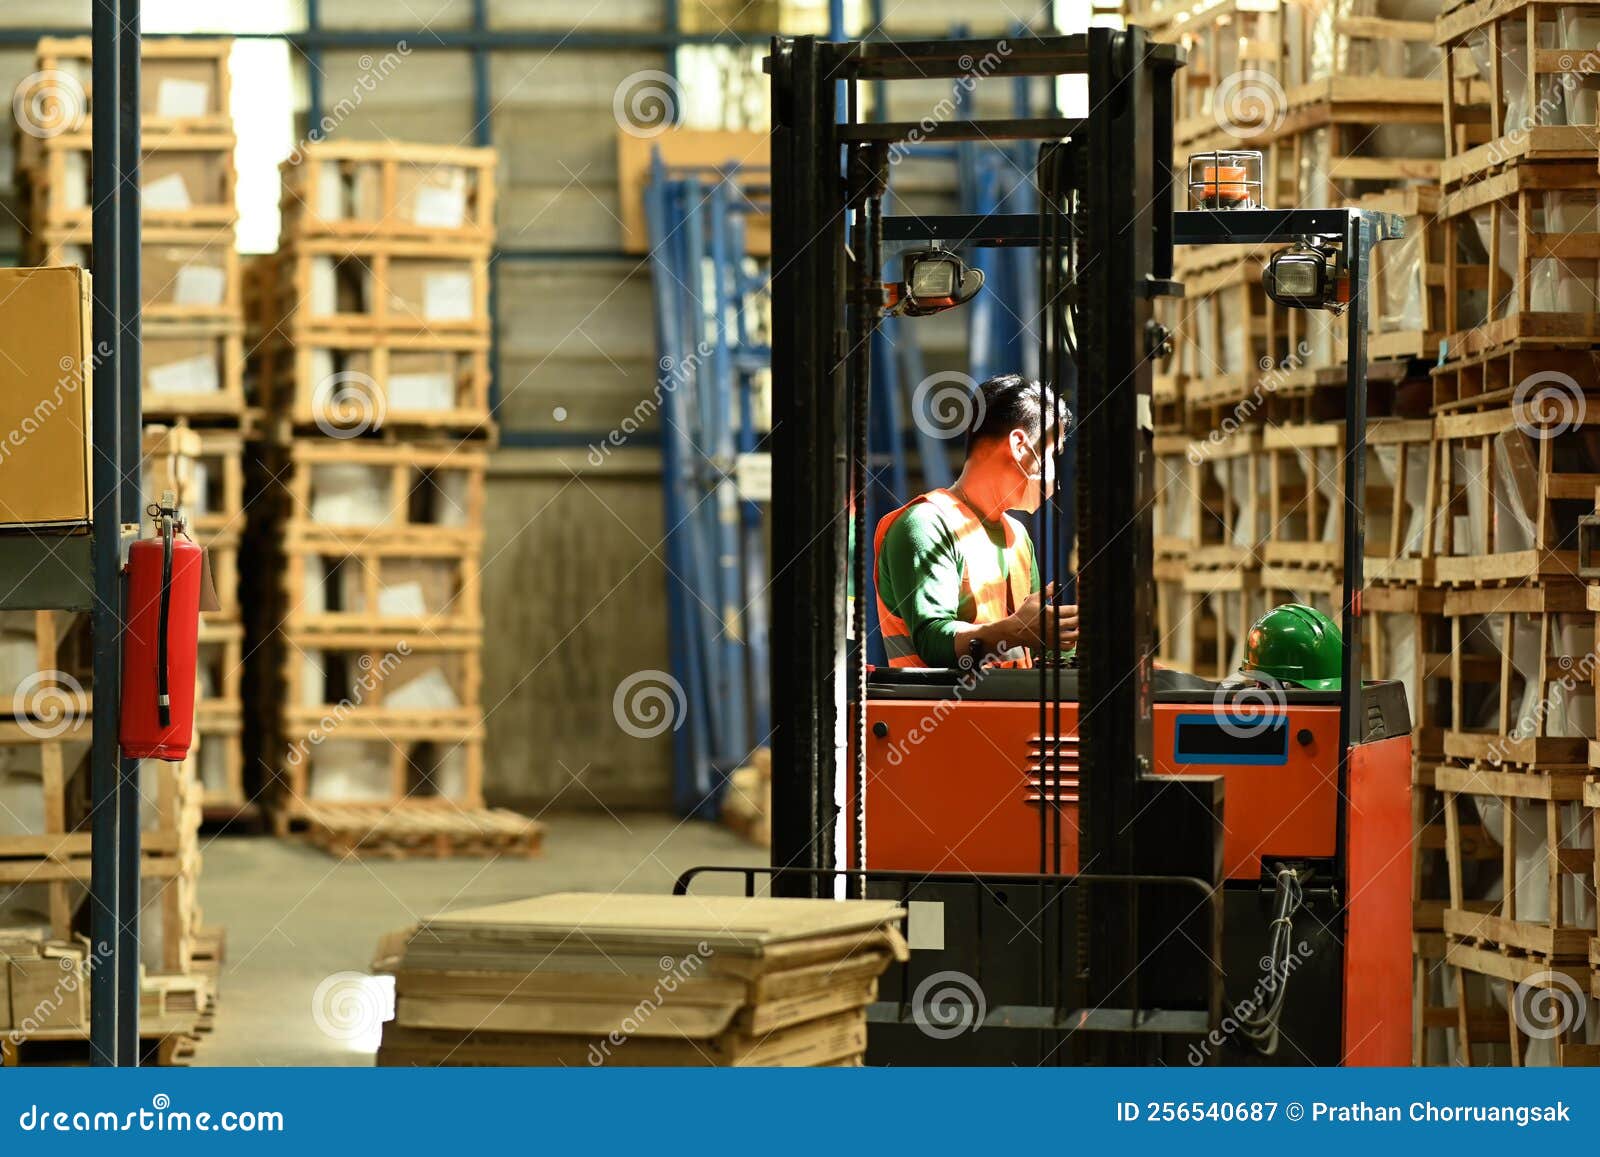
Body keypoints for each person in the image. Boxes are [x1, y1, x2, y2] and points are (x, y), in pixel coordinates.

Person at [873, 373, 1078, 669]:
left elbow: (1034, 652)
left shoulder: (1017, 537)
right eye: (1051, 453)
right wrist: (1014, 631)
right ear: (1020, 445)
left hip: (1006, 712)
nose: (1054, 473)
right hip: (937, 712)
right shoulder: (926, 525)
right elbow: (933, 641)